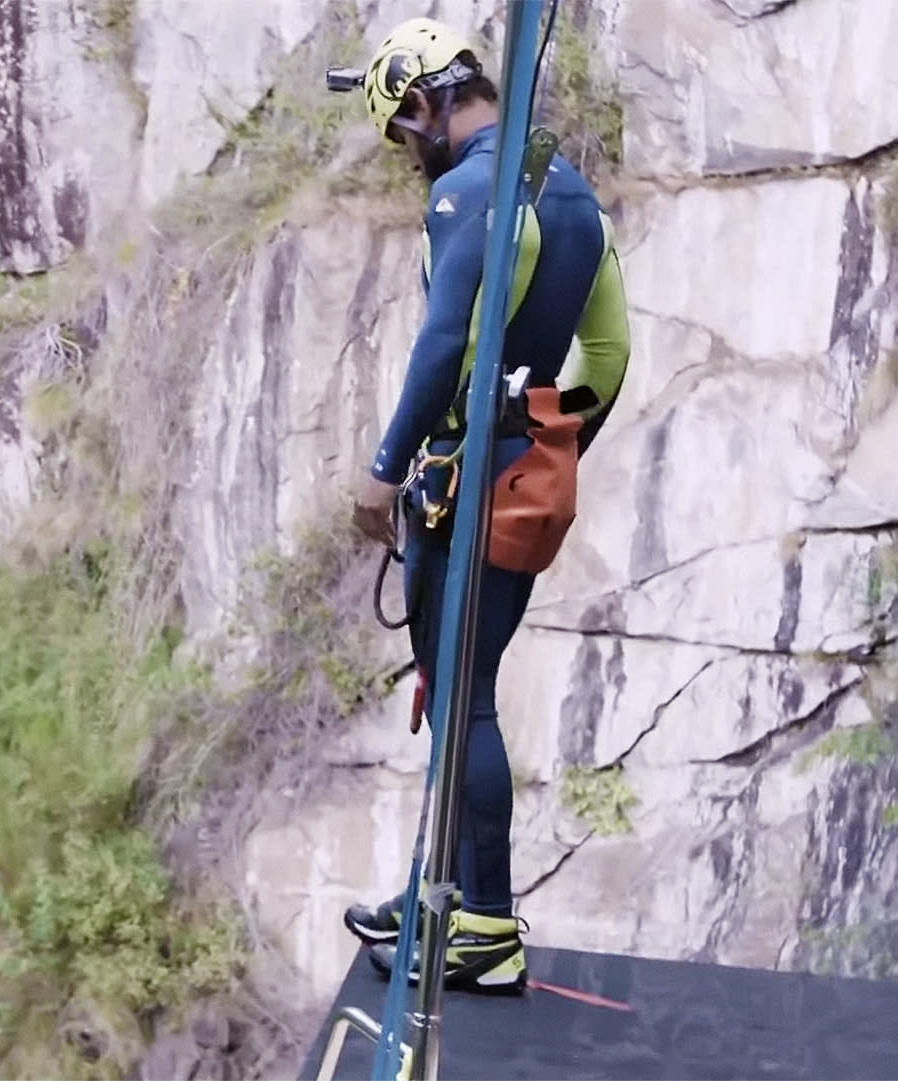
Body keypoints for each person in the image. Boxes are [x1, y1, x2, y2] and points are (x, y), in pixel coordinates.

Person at [342, 16, 632, 995]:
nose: (407, 156)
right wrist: (548, 435)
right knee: (460, 687)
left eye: (403, 134)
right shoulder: (572, 192)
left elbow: (442, 340)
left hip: (460, 486)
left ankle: (487, 928)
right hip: (518, 476)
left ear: (425, 103)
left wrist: (386, 466)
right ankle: (446, 895)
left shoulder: (471, 190)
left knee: (462, 699)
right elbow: (610, 354)